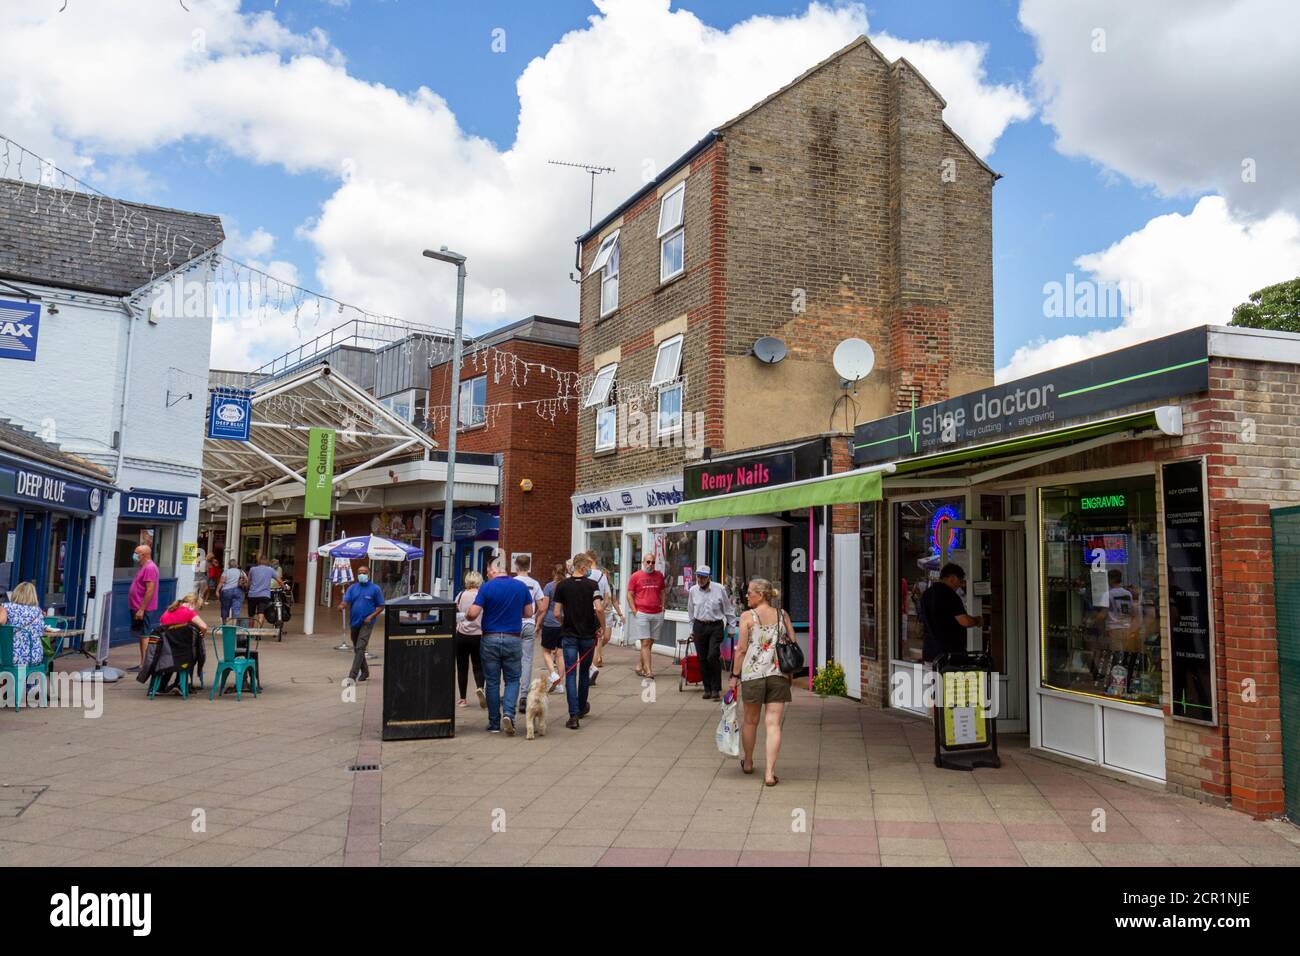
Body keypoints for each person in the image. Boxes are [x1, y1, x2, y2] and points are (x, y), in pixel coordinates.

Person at [729, 578, 795, 786]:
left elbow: (740, 650)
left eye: (749, 593)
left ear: (761, 595)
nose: (746, 596)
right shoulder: (782, 615)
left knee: (750, 721)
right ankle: (769, 773)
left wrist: (734, 677)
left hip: (753, 676)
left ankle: (748, 762)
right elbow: (792, 642)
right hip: (778, 676)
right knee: (773, 723)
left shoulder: (748, 617)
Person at [465, 561, 533, 735]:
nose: (487, 575)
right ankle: (509, 714)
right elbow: (528, 613)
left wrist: (465, 615)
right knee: (512, 679)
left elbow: (472, 614)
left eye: (488, 572)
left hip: (490, 638)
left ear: (493, 571)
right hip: (512, 638)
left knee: (493, 682)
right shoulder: (520, 587)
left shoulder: (487, 588)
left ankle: (494, 723)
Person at [551, 553, 604, 730]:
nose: (590, 570)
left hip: (569, 636)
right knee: (583, 673)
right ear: (582, 567)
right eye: (588, 567)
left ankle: (573, 715)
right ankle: (581, 707)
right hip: (587, 637)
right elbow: (598, 608)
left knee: (571, 673)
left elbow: (557, 612)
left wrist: (564, 623)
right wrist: (600, 626)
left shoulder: (562, 586)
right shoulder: (592, 585)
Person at [687, 564, 735, 700]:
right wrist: (691, 629)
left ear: (709, 578)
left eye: (703, 577)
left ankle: (716, 688)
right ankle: (707, 688)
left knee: (712, 655)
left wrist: (731, 627)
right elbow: (690, 612)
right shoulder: (693, 590)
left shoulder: (719, 589)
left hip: (715, 626)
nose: (700, 580)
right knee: (702, 658)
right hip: (699, 625)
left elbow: (728, 609)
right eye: (698, 577)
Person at [919, 562, 982, 666]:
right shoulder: (950, 595)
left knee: (934, 681)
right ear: (952, 578)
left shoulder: (927, 594)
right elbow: (964, 621)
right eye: (960, 581)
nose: (961, 585)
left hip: (929, 652)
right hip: (949, 654)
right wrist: (977, 620)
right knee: (950, 682)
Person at [513, 554, 546, 716]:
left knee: (512, 659)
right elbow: (542, 606)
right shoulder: (534, 584)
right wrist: (537, 621)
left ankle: (511, 693)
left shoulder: (512, 582)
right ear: (529, 566)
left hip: (512, 625)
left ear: (516, 566)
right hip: (529, 624)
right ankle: (524, 696)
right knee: (526, 660)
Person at [341, 565, 385, 684]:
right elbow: (346, 600)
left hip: (367, 622)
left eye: (364, 572)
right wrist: (342, 605)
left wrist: (371, 616)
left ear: (368, 574)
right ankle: (365, 671)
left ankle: (352, 676)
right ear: (357, 574)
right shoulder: (352, 588)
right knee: (357, 649)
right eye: (360, 572)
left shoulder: (375, 589)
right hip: (354, 622)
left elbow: (381, 606)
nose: (362, 574)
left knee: (360, 647)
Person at [627, 553, 666, 679]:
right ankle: (648, 671)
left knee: (650, 643)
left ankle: (639, 665)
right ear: (643, 562)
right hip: (642, 613)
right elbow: (629, 594)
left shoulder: (659, 576)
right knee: (645, 642)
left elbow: (663, 592)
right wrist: (634, 611)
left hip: (657, 613)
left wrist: (663, 606)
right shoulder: (635, 576)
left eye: (653, 562)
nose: (650, 565)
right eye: (648, 562)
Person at [585, 549, 621, 684]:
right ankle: (592, 669)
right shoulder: (602, 576)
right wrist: (600, 606)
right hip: (598, 610)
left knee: (584, 643)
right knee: (596, 642)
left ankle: (586, 670)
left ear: (589, 560)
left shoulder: (584, 574)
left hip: (584, 612)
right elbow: (607, 598)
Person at [454, 570, 486, 709]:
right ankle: (480, 688)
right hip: (479, 635)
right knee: (478, 665)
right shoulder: (482, 595)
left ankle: (462, 699)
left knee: (462, 667)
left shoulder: (460, 595)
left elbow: (456, 613)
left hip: (461, 635)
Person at [128, 543, 160, 672]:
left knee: (145, 634)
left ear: (143, 554)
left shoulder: (150, 568)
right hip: (137, 606)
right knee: (141, 634)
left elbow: (150, 590)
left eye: (136, 553)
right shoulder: (143, 567)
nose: (134, 555)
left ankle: (146, 665)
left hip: (143, 608)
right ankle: (142, 663)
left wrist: (142, 609)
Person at [0, 580, 46, 668]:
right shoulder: (38, 611)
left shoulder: (6, 607)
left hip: (9, 657)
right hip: (33, 657)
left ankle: (9, 679)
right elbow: (41, 633)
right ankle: (24, 679)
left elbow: (1, 621)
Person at [539, 563, 566, 693]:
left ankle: (553, 674)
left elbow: (544, 608)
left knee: (546, 651)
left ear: (553, 573)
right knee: (560, 654)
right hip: (563, 623)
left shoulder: (549, 587)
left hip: (550, 623)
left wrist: (538, 622)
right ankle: (560, 685)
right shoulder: (567, 585)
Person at [246, 553, 283, 628]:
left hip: (252, 595)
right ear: (267, 561)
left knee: (251, 615)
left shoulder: (252, 569)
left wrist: (247, 589)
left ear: (259, 561)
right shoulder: (270, 570)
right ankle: (258, 632)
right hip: (264, 595)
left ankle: (250, 633)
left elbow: (248, 582)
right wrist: (284, 587)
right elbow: (279, 580)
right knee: (261, 613)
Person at [218, 560, 248, 624]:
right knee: (236, 609)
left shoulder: (226, 571)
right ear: (236, 565)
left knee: (225, 608)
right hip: (239, 591)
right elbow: (246, 581)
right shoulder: (241, 571)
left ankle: (224, 624)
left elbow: (221, 582)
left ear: (229, 565)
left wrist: (217, 590)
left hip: (226, 591)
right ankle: (234, 626)